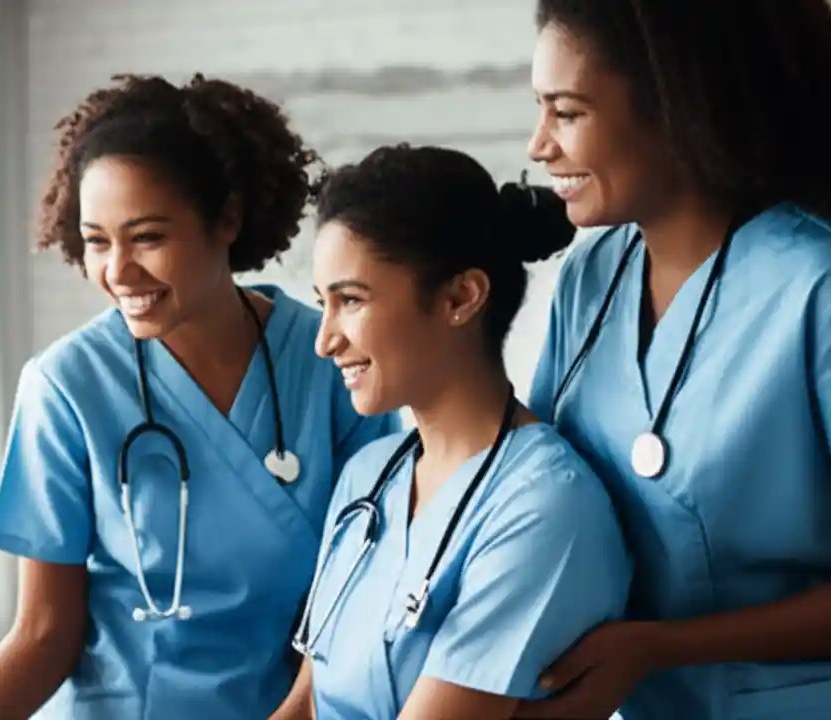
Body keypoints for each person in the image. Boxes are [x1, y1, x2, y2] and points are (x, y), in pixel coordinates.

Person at [0, 74, 400, 720]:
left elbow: (360, 602)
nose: (117, 272)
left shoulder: (330, 362)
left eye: (148, 237)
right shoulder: (68, 386)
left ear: (228, 219)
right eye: (97, 240)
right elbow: (44, 633)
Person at [522, 1, 831, 718]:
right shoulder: (591, 276)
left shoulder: (812, 289)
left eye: (566, 113)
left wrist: (664, 646)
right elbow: (534, 482)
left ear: (676, 108)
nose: (539, 146)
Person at [270, 144, 631, 719]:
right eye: (323, 303)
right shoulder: (368, 476)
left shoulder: (544, 505)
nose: (325, 339)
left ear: (461, 297)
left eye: (352, 300)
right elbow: (307, 701)